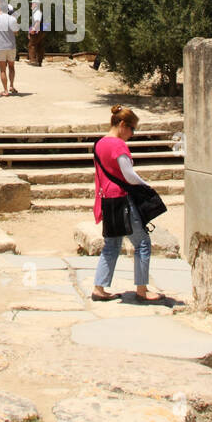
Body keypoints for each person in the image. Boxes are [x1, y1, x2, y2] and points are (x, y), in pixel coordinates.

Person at [91, 105, 163, 303]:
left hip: (107, 200)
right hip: (123, 199)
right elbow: (129, 175)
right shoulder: (118, 145)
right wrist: (146, 186)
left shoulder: (99, 144)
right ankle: (142, 290)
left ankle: (99, 288)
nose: (132, 134)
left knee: (111, 245)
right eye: (132, 129)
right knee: (142, 243)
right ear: (122, 124)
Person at [0, 1, 19, 95]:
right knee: (11, 67)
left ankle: (5, 90)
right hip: (11, 46)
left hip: (0, 46)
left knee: (2, 70)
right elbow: (16, 32)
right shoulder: (13, 19)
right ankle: (11, 86)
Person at [27, 0, 45, 66]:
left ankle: (33, 60)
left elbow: (37, 22)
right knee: (39, 45)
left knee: (32, 45)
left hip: (36, 31)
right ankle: (39, 61)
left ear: (36, 5)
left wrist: (33, 30)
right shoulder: (38, 12)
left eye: (32, 3)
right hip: (40, 30)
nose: (31, 5)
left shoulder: (37, 12)